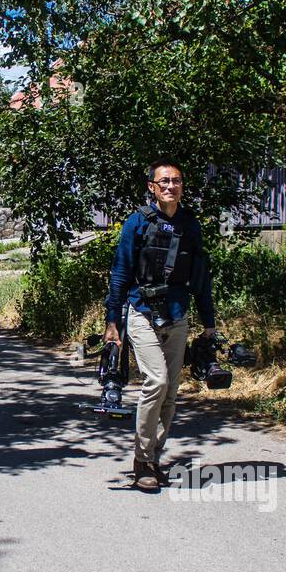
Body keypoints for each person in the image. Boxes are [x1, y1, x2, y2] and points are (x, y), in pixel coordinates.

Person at [103, 158, 216, 492]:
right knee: (157, 381)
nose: (171, 186)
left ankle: (153, 454)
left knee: (171, 392)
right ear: (152, 187)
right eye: (164, 181)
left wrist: (209, 324)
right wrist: (112, 320)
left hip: (178, 314)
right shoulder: (136, 224)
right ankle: (142, 459)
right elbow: (121, 273)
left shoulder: (190, 225)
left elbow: (201, 278)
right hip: (141, 312)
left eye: (176, 181)